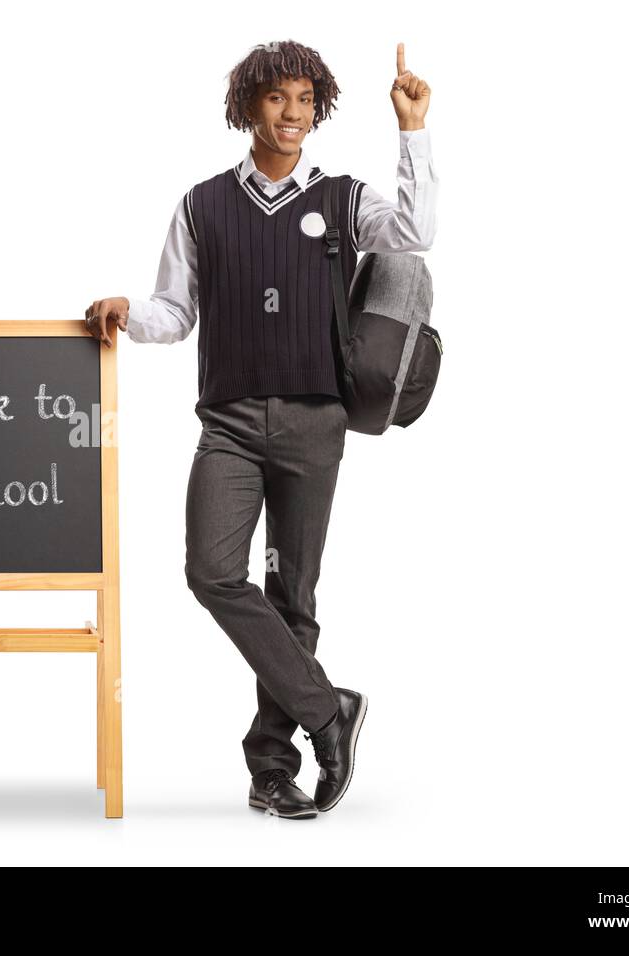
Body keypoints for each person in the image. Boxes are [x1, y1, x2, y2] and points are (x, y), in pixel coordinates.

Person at [84, 39, 437, 819]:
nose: (293, 114)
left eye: (306, 100)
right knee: (212, 572)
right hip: (231, 425)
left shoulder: (342, 198)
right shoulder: (202, 205)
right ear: (247, 106)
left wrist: (411, 129)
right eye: (277, 99)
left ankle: (272, 770)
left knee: (293, 594)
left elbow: (413, 236)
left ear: (320, 109)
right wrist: (129, 313)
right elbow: (175, 313)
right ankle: (327, 710)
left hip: (316, 422)